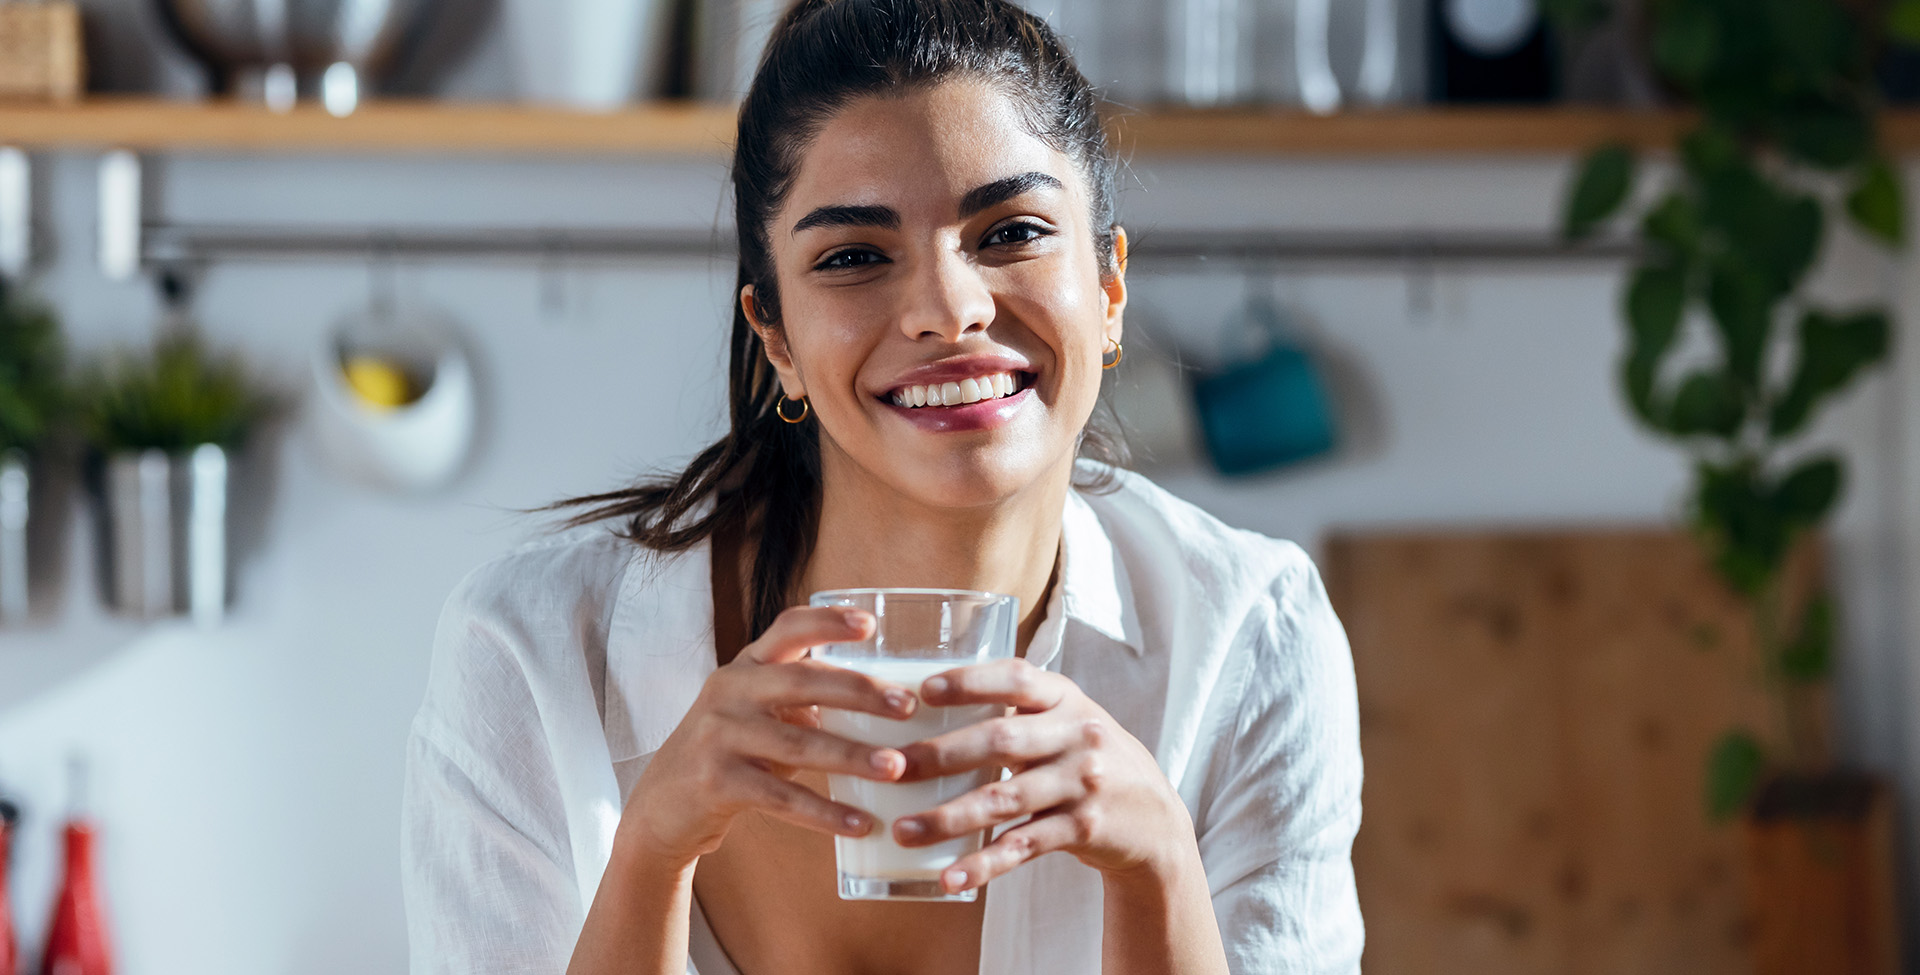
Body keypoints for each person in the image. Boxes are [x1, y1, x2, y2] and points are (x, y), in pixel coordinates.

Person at [400, 1, 1363, 972]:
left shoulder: (1251, 639)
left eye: (1012, 231)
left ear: (1110, 289)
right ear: (776, 337)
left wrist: (1159, 866)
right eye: (854, 256)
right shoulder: (530, 655)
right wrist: (651, 850)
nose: (948, 309)